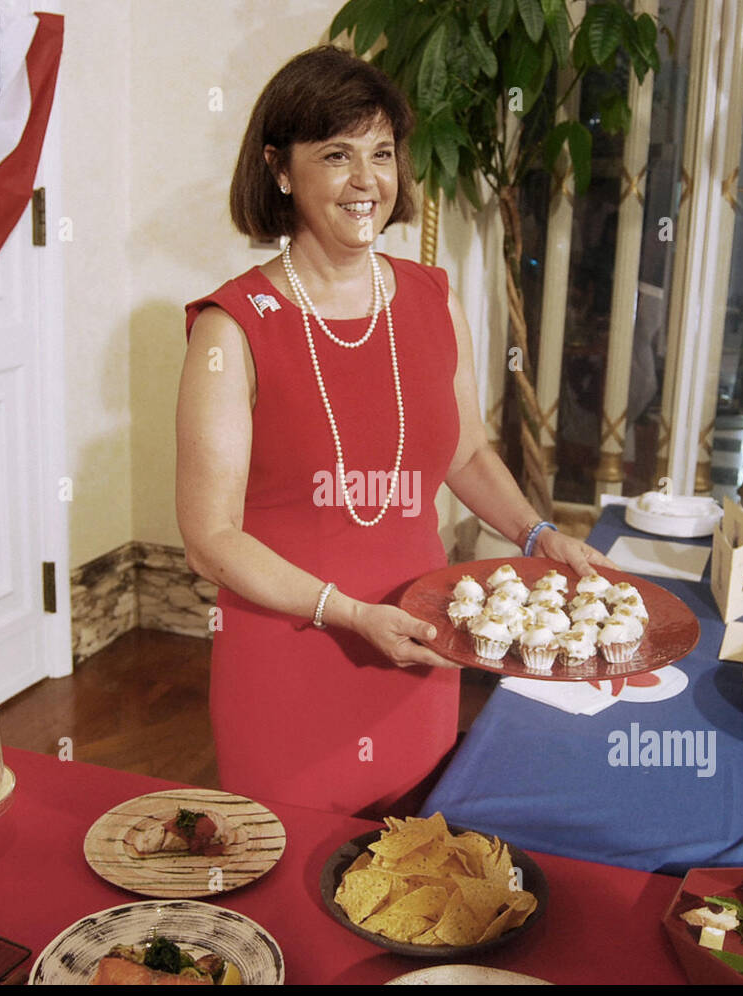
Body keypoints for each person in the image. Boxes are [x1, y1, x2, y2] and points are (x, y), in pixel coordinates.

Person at [176, 46, 610, 817]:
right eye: (336, 154)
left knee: (411, 869)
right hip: (291, 653)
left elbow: (468, 451)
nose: (366, 180)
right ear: (280, 170)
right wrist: (346, 612)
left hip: (419, 640)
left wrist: (537, 534)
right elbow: (210, 537)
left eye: (381, 154)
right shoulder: (232, 327)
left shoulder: (431, 298)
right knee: (292, 878)